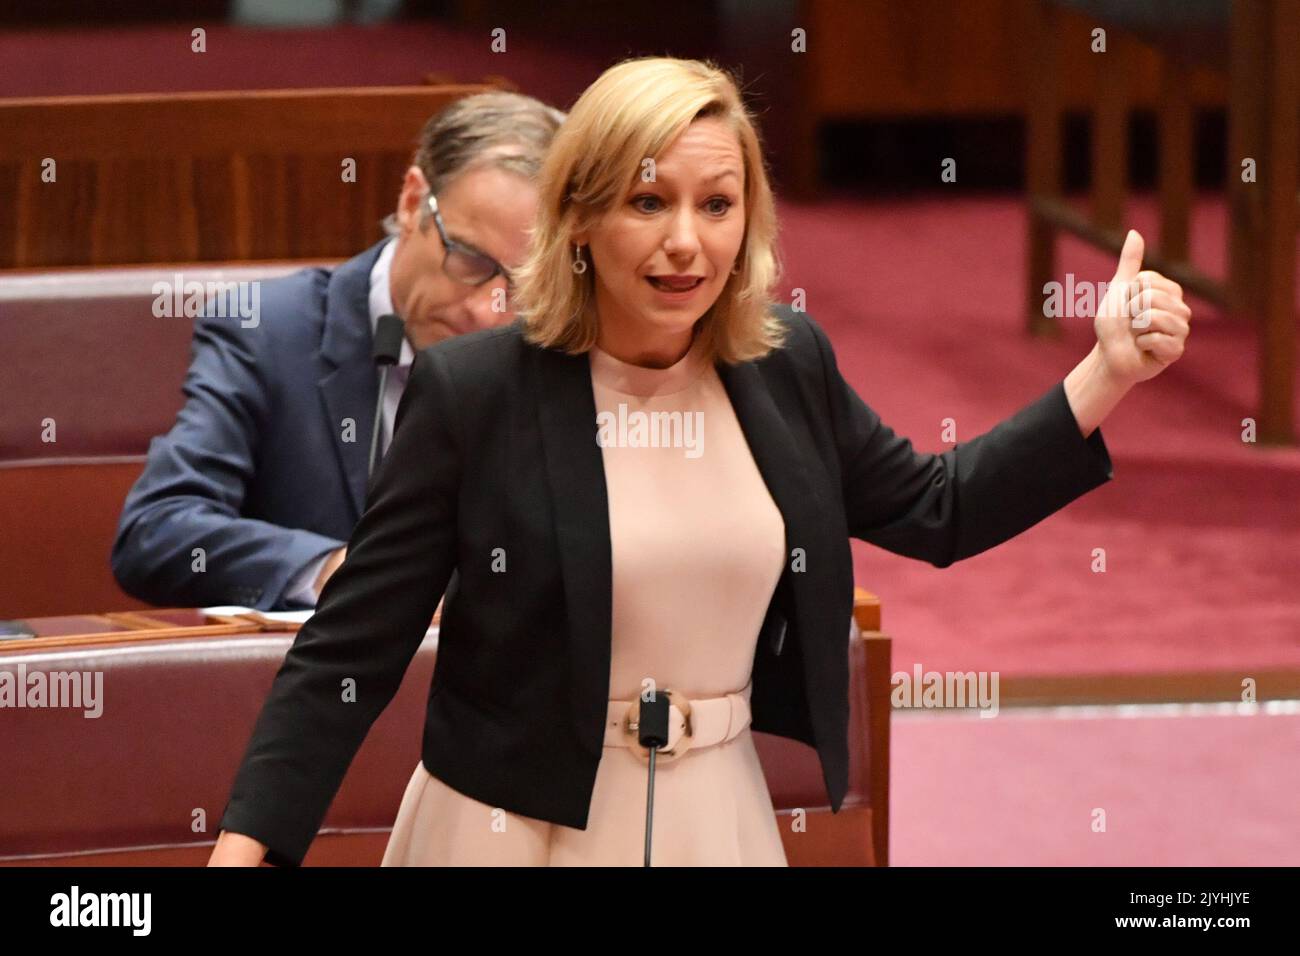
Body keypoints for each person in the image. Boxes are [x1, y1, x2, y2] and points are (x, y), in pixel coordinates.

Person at [208, 57, 1190, 866]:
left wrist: (1105, 371)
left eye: (717, 204)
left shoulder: (781, 364)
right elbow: (350, 650)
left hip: (713, 824)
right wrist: (244, 853)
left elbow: (937, 509)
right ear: (581, 217)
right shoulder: (477, 393)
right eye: (648, 200)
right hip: (513, 831)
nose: (686, 242)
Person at [110, 91, 564, 611]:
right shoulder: (268, 334)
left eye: (527, 281)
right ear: (413, 200)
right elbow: (157, 531)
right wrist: (337, 572)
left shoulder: (563, 349)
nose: (490, 311)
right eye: (468, 258)